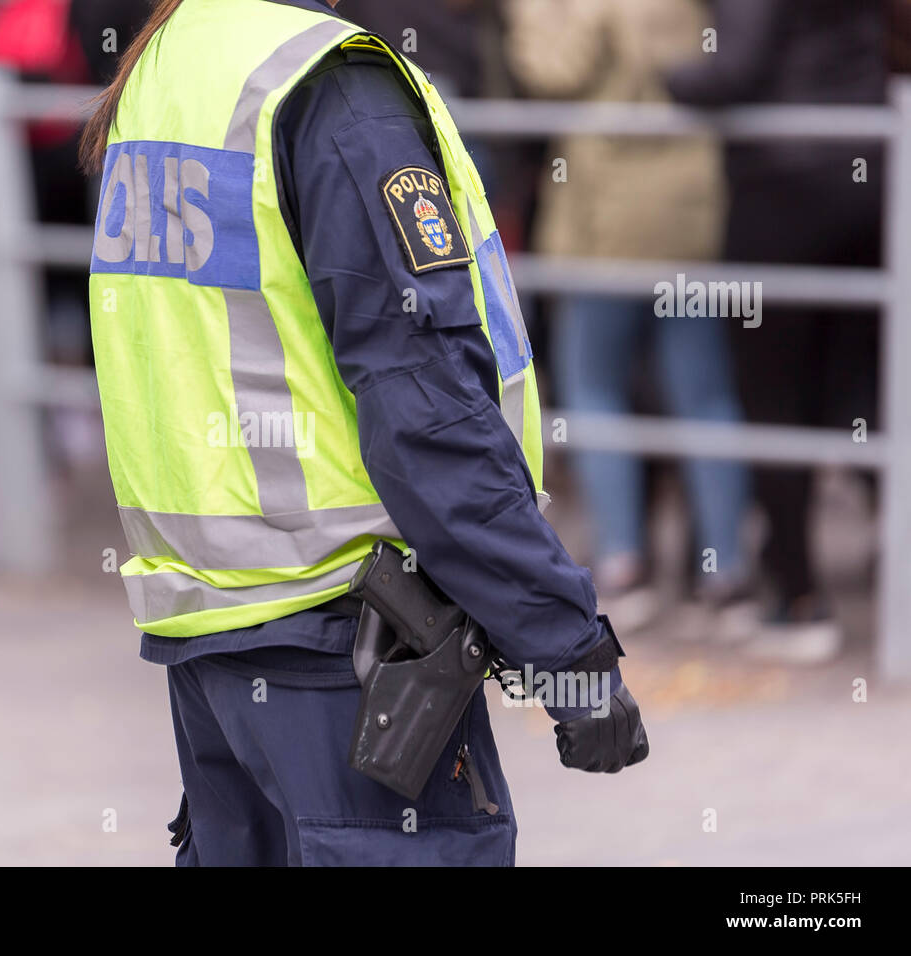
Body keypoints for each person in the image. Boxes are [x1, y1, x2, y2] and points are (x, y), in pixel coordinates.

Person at [82, 0, 648, 867]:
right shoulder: (332, 87)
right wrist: (566, 654)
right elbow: (426, 416)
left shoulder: (175, 55)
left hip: (222, 640)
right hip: (347, 646)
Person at [504, 0, 753, 637]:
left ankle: (624, 566)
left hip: (605, 215)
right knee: (705, 394)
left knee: (594, 388)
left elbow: (549, 71)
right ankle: (724, 573)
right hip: (689, 208)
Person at [667, 0, 887, 663]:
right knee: (860, 395)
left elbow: (734, 69)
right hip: (868, 182)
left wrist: (668, 77)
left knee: (772, 402)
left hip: (783, 190)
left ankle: (798, 601)